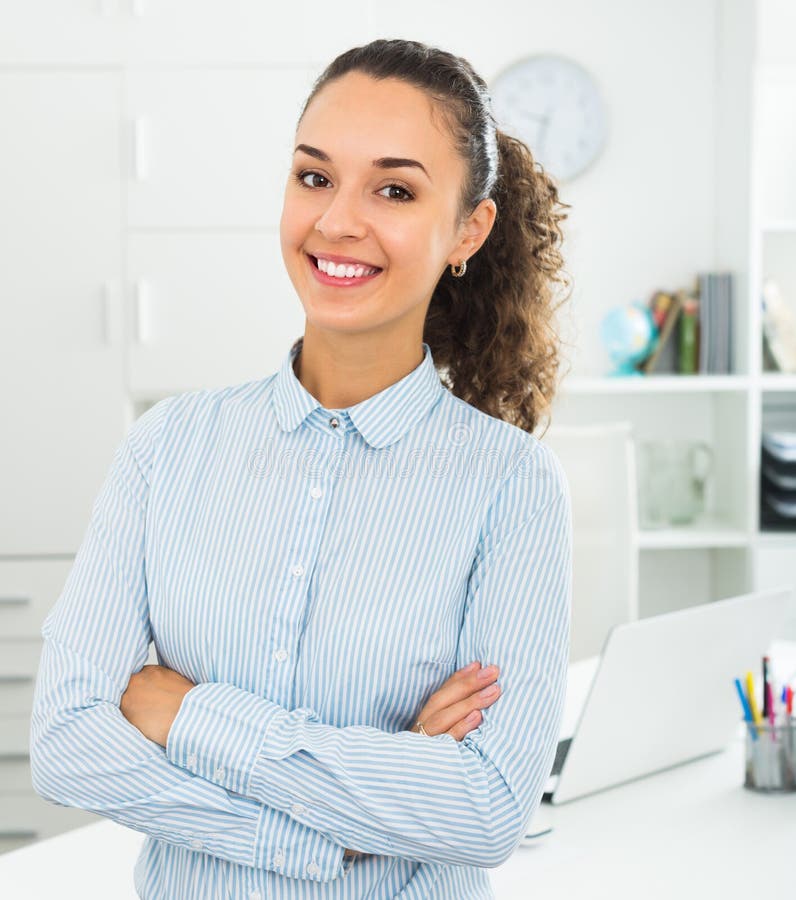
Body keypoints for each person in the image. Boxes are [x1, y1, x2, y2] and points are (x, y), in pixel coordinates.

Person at [30, 38, 573, 900]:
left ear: (468, 229)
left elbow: (486, 808)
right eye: (314, 177)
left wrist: (187, 714)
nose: (336, 222)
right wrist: (357, 814)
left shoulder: (509, 487)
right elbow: (66, 744)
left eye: (393, 189)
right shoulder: (168, 447)